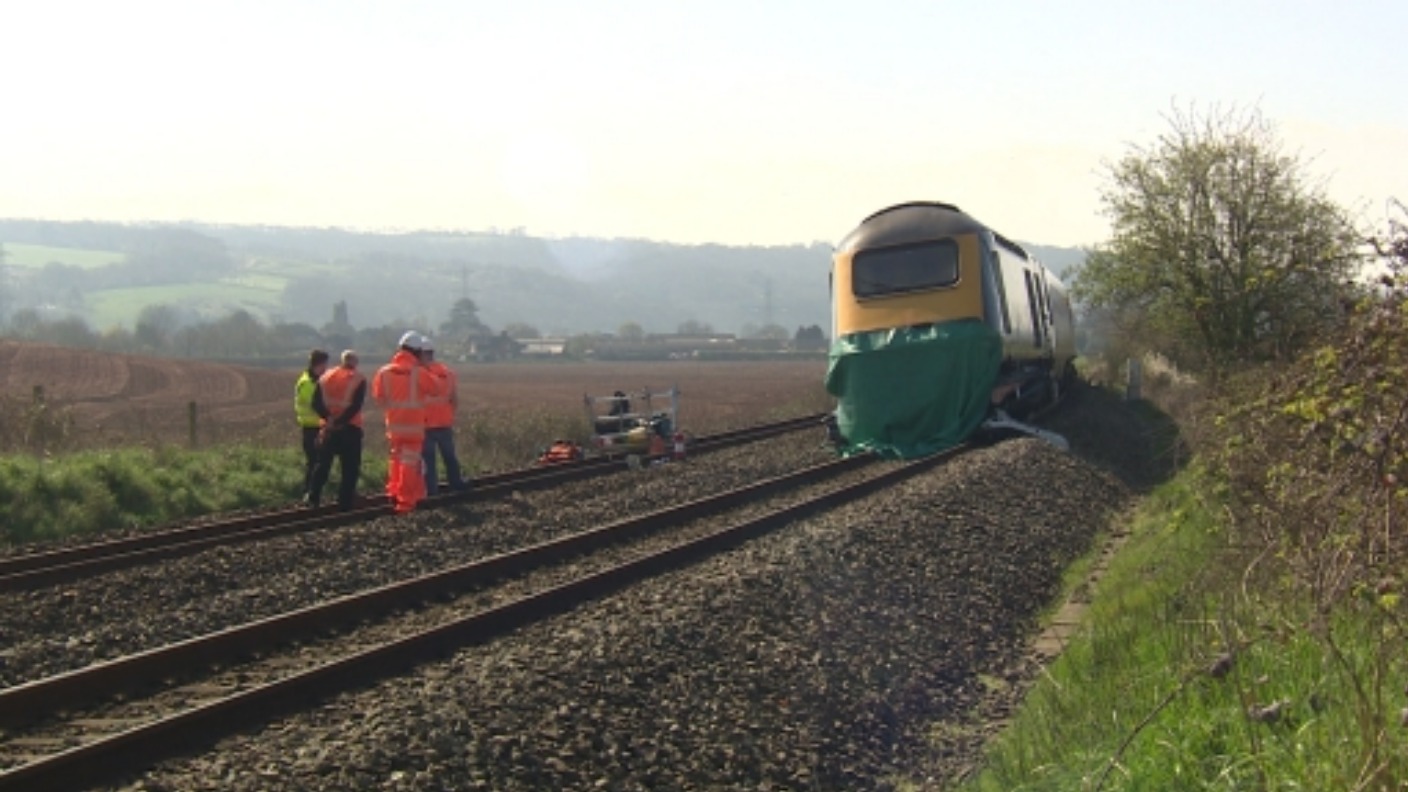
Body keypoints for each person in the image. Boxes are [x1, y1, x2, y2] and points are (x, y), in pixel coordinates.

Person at [371, 331, 441, 513]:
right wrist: (426, 367)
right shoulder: (418, 373)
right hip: (414, 427)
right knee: (410, 464)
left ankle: (393, 493)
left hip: (393, 426)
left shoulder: (383, 372)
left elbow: (379, 398)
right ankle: (406, 502)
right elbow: (435, 389)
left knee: (396, 460)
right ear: (417, 352)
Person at [307, 350, 366, 511]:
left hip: (328, 429)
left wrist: (329, 419)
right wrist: (341, 421)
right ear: (355, 362)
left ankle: (313, 496)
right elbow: (356, 406)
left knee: (323, 464)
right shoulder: (358, 379)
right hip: (350, 428)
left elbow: (315, 403)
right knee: (350, 468)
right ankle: (345, 503)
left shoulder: (326, 377)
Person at [419, 337, 468, 496]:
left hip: (425, 424)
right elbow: (454, 400)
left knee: (429, 461)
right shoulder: (448, 372)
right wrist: (448, 415)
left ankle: (431, 491)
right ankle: (456, 483)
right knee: (450, 457)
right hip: (444, 422)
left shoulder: (419, 374)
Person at [294, 349, 330, 505]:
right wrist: (329, 418)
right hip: (312, 427)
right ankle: (309, 493)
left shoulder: (309, 379)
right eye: (325, 365)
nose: (326, 368)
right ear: (319, 364)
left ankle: (310, 494)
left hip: (313, 426)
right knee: (315, 462)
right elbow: (317, 404)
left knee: (315, 462)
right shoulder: (309, 383)